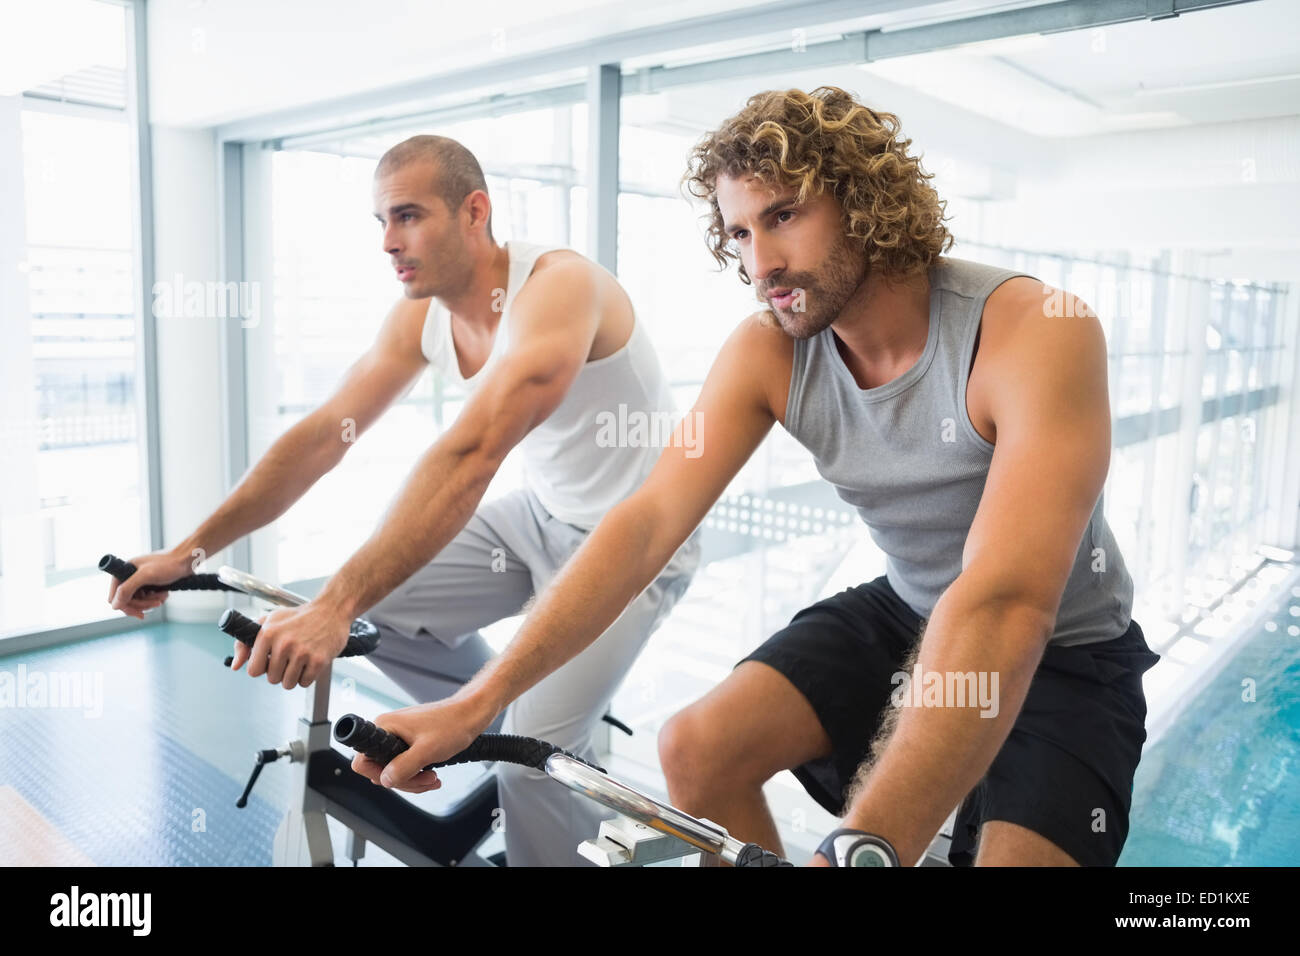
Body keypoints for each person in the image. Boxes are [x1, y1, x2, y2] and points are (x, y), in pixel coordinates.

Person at [353, 87, 1160, 868]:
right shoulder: (768, 349)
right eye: (738, 233)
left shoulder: (1034, 330)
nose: (761, 262)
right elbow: (643, 525)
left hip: (1066, 648)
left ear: (864, 202)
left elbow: (1005, 598)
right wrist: (473, 705)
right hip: (909, 609)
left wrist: (863, 845)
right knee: (698, 748)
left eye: (783, 216)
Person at [106, 134, 700, 866]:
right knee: (382, 609)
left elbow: (472, 454)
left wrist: (331, 609)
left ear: (473, 211)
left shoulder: (560, 288)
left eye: (409, 216)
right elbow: (326, 434)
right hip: (537, 520)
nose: (389, 242)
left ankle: (522, 746)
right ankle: (490, 720)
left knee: (526, 755)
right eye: (381, 221)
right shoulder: (422, 318)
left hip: (635, 545)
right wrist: (188, 551)